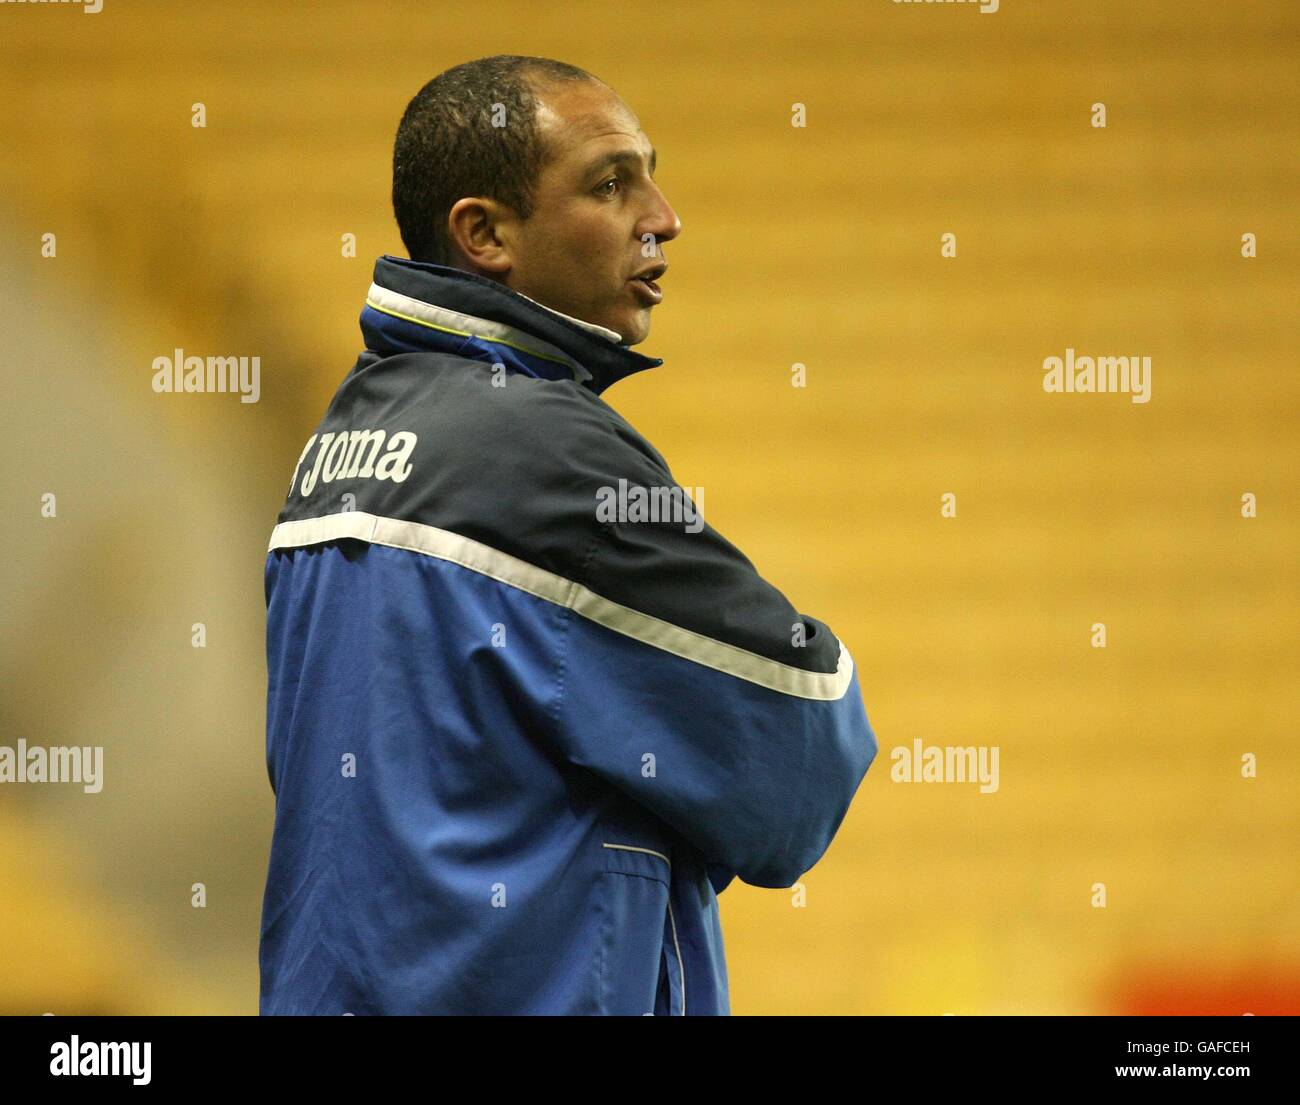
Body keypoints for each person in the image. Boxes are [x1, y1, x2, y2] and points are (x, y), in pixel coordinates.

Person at [258, 54, 877, 1016]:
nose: (663, 217)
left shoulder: (340, 440)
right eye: (610, 183)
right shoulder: (548, 449)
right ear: (484, 234)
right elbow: (802, 747)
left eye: (650, 176)